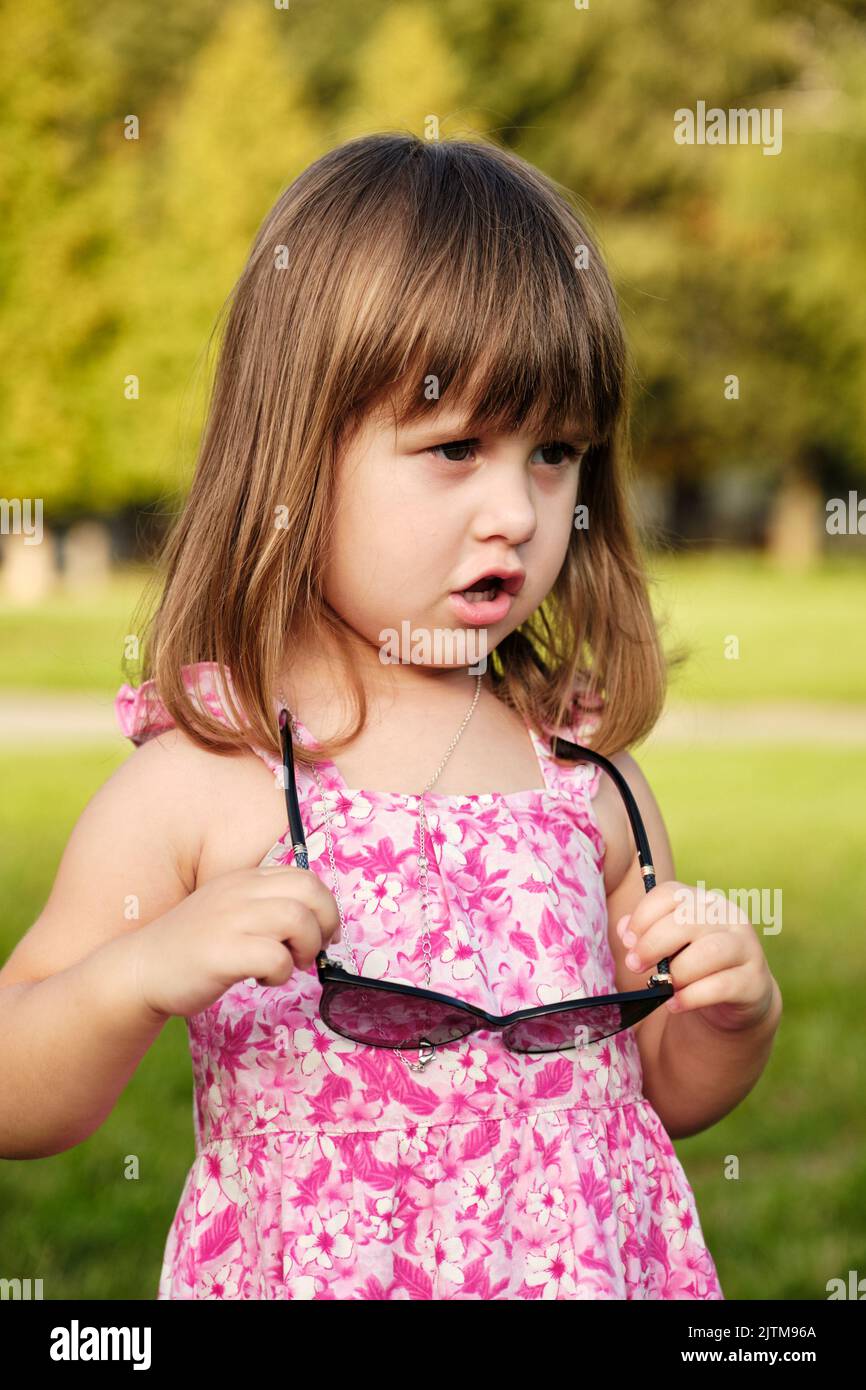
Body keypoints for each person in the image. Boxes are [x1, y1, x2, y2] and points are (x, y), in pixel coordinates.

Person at [0, 132, 782, 1300]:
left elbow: (649, 1087)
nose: (514, 511)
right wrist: (138, 971)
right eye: (454, 447)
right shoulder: (214, 778)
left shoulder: (576, 777)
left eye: (553, 453)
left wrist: (727, 1019)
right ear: (296, 458)